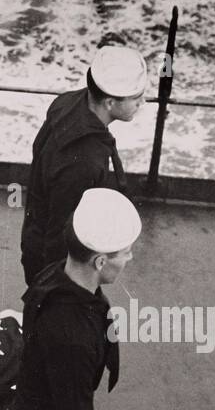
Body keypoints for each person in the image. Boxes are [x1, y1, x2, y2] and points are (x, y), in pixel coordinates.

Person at [0, 187, 158, 410]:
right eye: (124, 253)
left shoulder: (55, 276)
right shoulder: (71, 338)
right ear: (99, 261)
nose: (130, 258)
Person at [20, 45, 147, 285]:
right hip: (52, 263)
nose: (143, 102)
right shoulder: (83, 163)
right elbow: (60, 234)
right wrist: (60, 287)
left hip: (35, 232)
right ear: (109, 102)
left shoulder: (68, 102)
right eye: (136, 98)